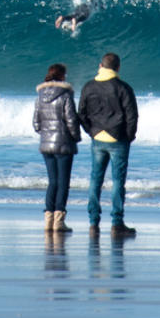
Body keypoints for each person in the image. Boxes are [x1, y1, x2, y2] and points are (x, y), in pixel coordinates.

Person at [76, 52, 139, 235]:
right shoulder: (123, 88)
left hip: (98, 139)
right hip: (118, 139)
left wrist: (92, 131)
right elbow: (132, 116)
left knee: (95, 179)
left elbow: (82, 113)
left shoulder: (89, 86)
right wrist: (128, 136)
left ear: (100, 66)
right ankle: (117, 223)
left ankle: (93, 223)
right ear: (118, 68)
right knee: (118, 181)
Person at [32, 63, 81, 234]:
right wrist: (76, 137)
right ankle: (59, 222)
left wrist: (46, 134)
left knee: (52, 182)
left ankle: (48, 220)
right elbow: (71, 121)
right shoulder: (66, 95)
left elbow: (36, 123)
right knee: (63, 183)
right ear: (62, 76)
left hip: (46, 145)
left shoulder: (40, 96)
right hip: (64, 144)